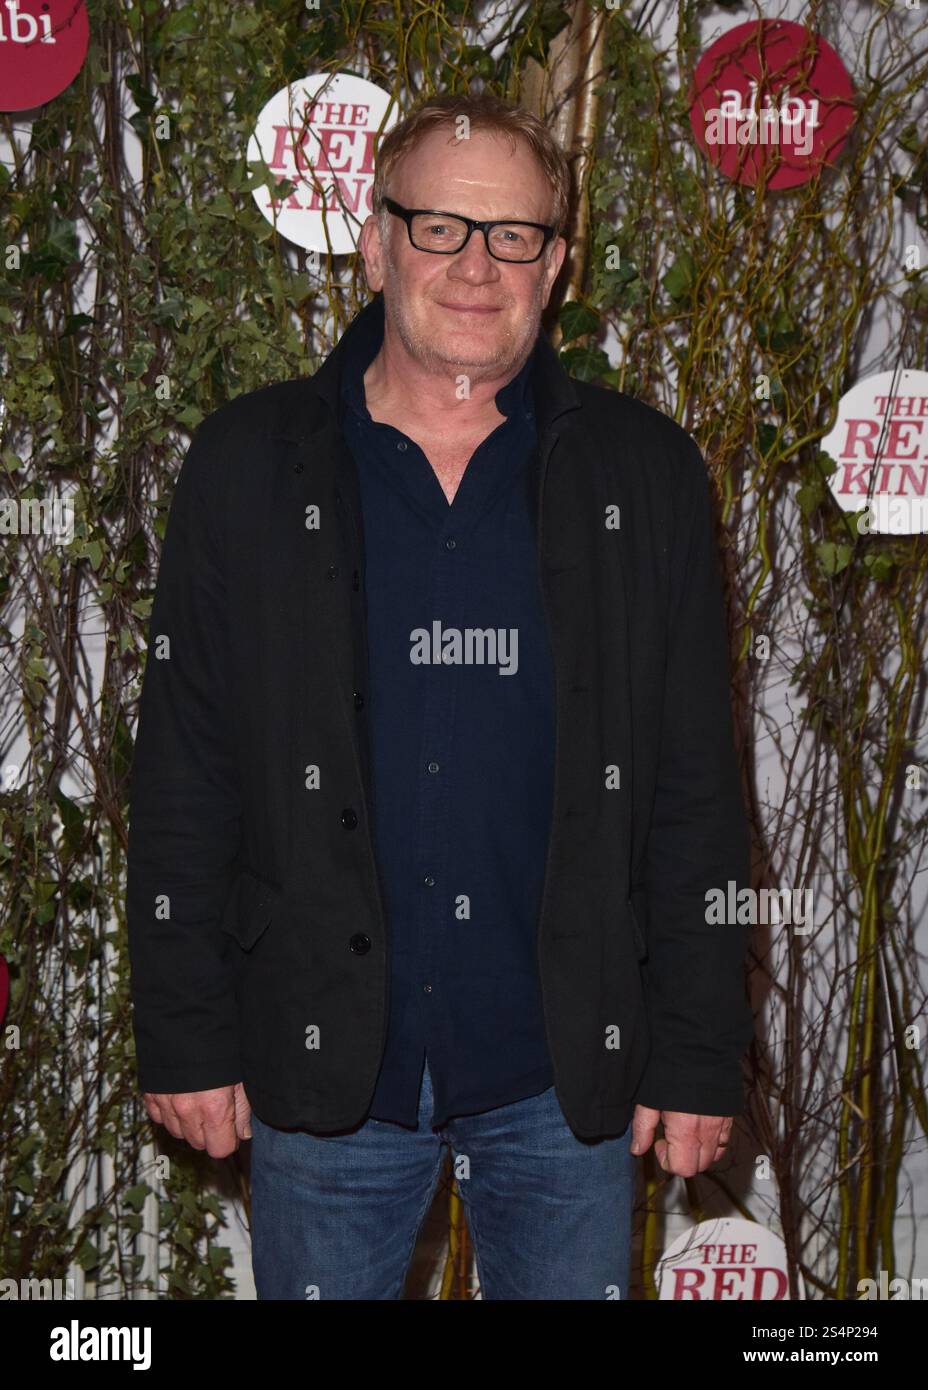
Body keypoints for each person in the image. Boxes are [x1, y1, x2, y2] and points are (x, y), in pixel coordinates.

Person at [126, 91, 753, 1300]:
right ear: (375, 242)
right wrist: (187, 1028)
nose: (475, 266)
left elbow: (692, 790)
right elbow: (186, 771)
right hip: (325, 1068)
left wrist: (696, 1051)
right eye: (438, 228)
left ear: (556, 264)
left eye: (512, 234)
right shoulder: (249, 464)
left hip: (565, 1073)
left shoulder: (644, 474)